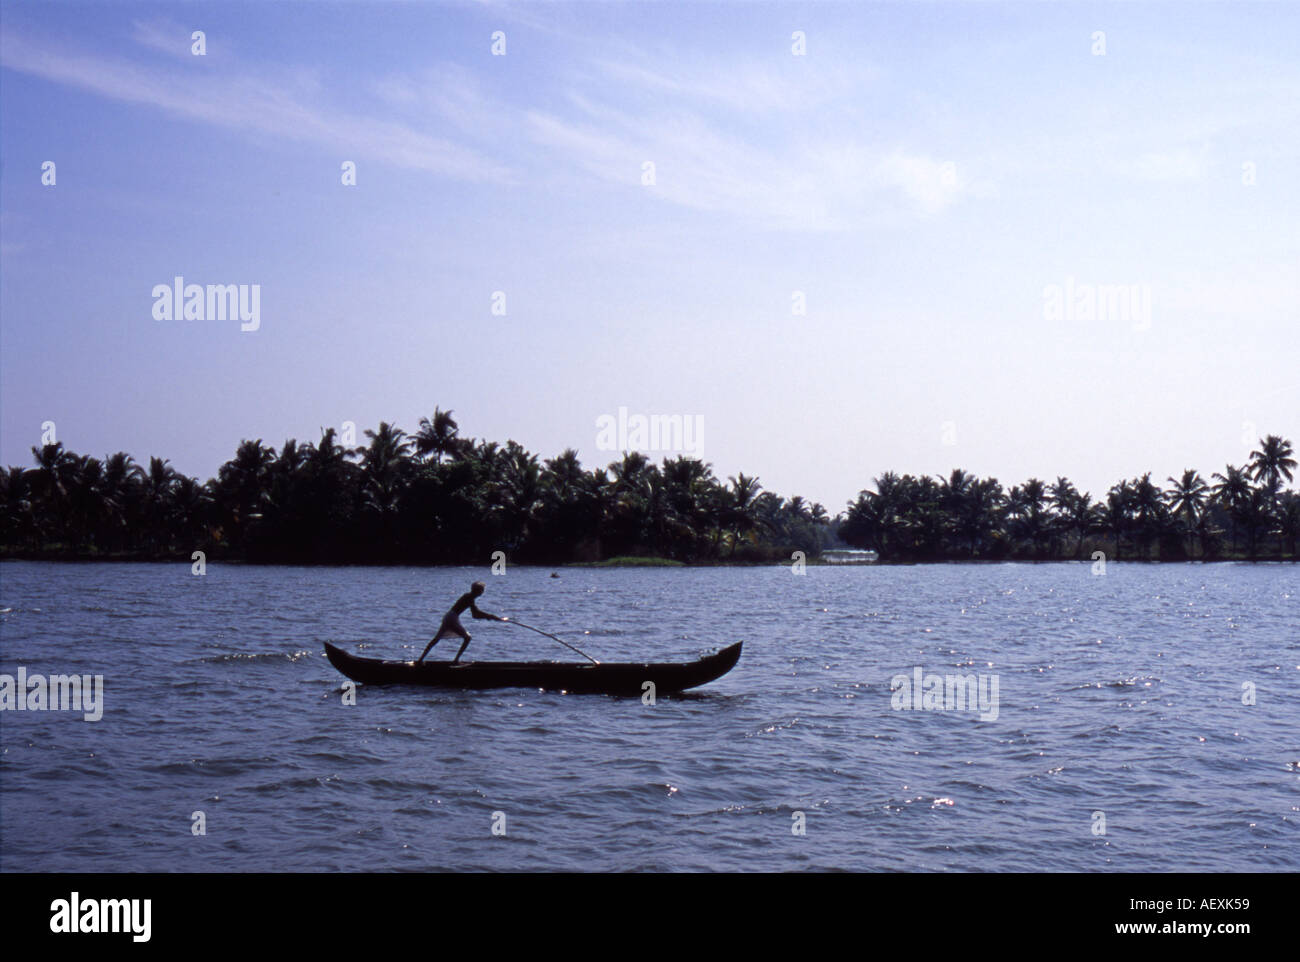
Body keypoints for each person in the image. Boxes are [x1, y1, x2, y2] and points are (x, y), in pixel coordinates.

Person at [417, 581, 505, 664]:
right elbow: (476, 614)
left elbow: (475, 615)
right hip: (452, 618)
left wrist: (489, 617)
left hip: (449, 617)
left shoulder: (469, 597)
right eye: (482, 590)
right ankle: (455, 660)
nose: (482, 592)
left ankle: (420, 660)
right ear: (478, 591)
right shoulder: (469, 597)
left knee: (437, 639)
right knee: (467, 638)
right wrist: (491, 616)